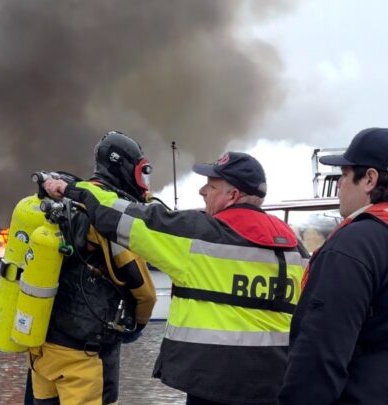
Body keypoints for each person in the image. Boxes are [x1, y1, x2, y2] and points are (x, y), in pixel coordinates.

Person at [45, 151, 309, 405]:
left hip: (213, 384)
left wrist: (72, 189)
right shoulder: (295, 248)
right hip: (276, 385)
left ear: (233, 195)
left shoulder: (200, 236)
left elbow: (127, 217)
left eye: (211, 186)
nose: (202, 191)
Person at [27, 131, 157, 405]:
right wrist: (136, 327)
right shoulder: (109, 217)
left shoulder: (63, 203)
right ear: (123, 169)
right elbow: (144, 292)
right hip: (84, 358)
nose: (143, 185)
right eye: (141, 174)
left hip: (42, 349)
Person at [278, 128, 388, 404]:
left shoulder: (354, 245)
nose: (339, 184)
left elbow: (318, 355)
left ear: (369, 179)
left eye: (344, 174)